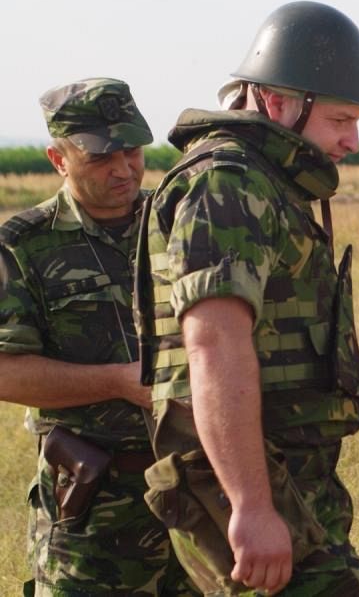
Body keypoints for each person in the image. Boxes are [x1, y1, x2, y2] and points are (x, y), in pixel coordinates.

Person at [134, 1, 359, 596]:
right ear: (278, 103)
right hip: (247, 483)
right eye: (341, 120)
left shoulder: (265, 182)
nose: (352, 140)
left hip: (286, 476)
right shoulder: (228, 182)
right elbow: (214, 340)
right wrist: (250, 505)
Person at [0, 78, 195, 595]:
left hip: (198, 490)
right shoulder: (22, 246)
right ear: (57, 159)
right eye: (100, 157)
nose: (124, 168)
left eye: (132, 149)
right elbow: (6, 371)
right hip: (95, 508)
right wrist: (119, 382)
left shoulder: (181, 223)